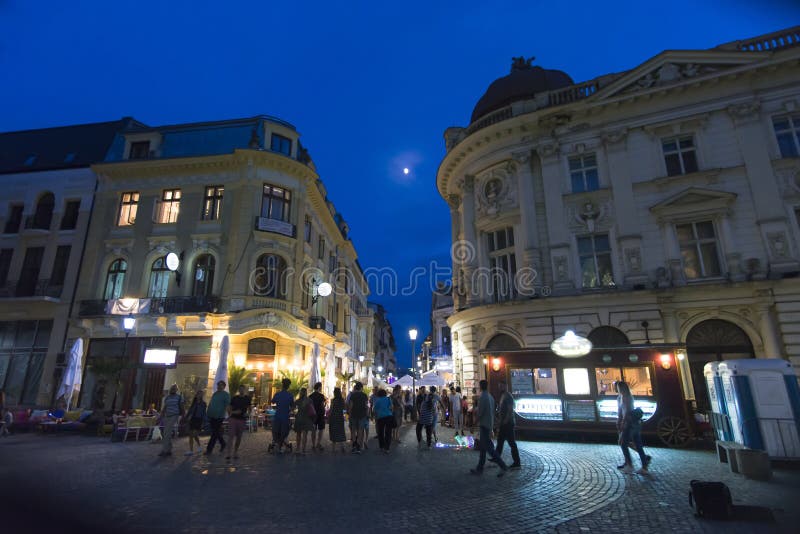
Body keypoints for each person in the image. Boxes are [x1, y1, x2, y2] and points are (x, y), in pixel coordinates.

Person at [470, 379, 508, 477]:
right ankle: (480, 468)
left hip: (484, 425)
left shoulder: (483, 397)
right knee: (483, 448)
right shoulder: (490, 396)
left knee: (489, 449)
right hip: (489, 424)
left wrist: (474, 425)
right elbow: (492, 411)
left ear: (480, 386)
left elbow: (480, 413)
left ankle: (503, 465)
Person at [616, 381, 651, 474]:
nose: (617, 389)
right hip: (633, 424)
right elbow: (620, 411)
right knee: (637, 444)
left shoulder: (625, 398)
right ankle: (644, 465)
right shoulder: (623, 397)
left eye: (618, 387)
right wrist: (619, 421)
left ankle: (630, 465)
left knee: (623, 444)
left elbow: (626, 411)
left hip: (630, 424)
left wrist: (622, 422)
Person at [494, 381, 521, 469]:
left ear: (505, 386)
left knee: (511, 442)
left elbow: (510, 410)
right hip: (504, 423)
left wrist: (505, 420)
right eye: (499, 386)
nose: (499, 388)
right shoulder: (503, 396)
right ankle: (496, 457)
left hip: (508, 423)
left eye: (501, 386)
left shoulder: (508, 396)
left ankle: (517, 462)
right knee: (500, 441)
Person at [158, 384, 184, 457]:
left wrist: (184, 416)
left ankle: (164, 450)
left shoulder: (179, 397)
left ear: (176, 390)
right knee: (166, 433)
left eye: (174, 388)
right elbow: (165, 407)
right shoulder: (167, 397)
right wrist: (161, 416)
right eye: (172, 388)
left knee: (167, 433)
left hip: (174, 416)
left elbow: (182, 407)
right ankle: (169, 449)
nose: (173, 389)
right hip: (167, 416)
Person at [205, 380, 230, 455]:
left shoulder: (226, 394)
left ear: (224, 386)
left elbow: (228, 405)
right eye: (218, 385)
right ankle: (223, 443)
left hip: (219, 416)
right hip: (212, 415)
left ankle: (209, 449)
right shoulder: (215, 394)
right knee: (216, 432)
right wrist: (208, 412)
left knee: (214, 433)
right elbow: (211, 403)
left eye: (221, 385)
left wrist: (228, 415)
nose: (219, 386)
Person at [270, 378, 294, 454]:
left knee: (276, 431)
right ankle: (281, 446)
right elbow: (292, 406)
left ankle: (278, 445)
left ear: (282, 385)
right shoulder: (290, 395)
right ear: (288, 386)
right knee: (284, 432)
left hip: (277, 416)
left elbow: (272, 402)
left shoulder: (277, 394)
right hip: (285, 417)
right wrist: (289, 410)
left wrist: (278, 405)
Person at [226, 385, 250, 460]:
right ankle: (228, 453)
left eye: (242, 389)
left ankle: (235, 452)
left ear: (245, 390)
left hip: (242, 419)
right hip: (233, 418)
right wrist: (231, 413)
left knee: (239, 437)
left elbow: (249, 408)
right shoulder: (234, 398)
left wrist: (248, 413)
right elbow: (229, 407)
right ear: (238, 390)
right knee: (231, 436)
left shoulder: (247, 398)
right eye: (240, 389)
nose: (241, 390)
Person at [347, 381, 368, 454]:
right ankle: (358, 447)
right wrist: (367, 414)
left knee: (353, 430)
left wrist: (349, 415)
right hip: (362, 415)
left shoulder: (353, 395)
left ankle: (353, 446)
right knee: (360, 431)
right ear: (361, 388)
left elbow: (350, 406)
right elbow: (366, 406)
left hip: (353, 415)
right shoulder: (364, 395)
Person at [185, 390, 206, 455]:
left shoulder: (203, 404)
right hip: (192, 420)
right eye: (198, 394)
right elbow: (190, 411)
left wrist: (203, 422)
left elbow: (203, 413)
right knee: (191, 435)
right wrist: (186, 417)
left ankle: (199, 446)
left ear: (202, 396)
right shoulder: (194, 403)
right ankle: (191, 450)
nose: (199, 395)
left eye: (200, 394)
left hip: (199, 420)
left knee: (195, 435)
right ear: (196, 395)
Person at [294, 387, 314, 455]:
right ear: (306, 393)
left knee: (298, 434)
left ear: (300, 393)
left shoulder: (298, 400)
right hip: (307, 418)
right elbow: (312, 410)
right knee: (305, 434)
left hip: (299, 418)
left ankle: (297, 449)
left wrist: (295, 413)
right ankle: (303, 450)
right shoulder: (310, 400)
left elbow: (293, 408)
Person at [373, 388, 394, 453]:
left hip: (380, 418)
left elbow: (374, 410)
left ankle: (381, 446)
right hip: (389, 417)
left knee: (381, 432)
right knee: (388, 432)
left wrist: (375, 416)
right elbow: (392, 407)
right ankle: (387, 448)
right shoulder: (388, 399)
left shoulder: (377, 400)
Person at [328, 387, 347, 453]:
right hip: (340, 417)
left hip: (333, 417)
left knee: (333, 432)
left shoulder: (333, 400)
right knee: (341, 431)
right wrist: (344, 417)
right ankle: (342, 447)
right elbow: (344, 409)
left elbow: (331, 410)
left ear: (334, 393)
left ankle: (333, 448)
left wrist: (329, 416)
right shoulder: (342, 400)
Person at [309, 382, 326, 452]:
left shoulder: (310, 396)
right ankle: (318, 443)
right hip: (320, 414)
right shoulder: (321, 396)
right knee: (321, 429)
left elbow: (309, 406)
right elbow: (322, 405)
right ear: (319, 387)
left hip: (313, 415)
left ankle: (313, 444)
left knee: (313, 430)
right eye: (321, 387)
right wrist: (324, 407)